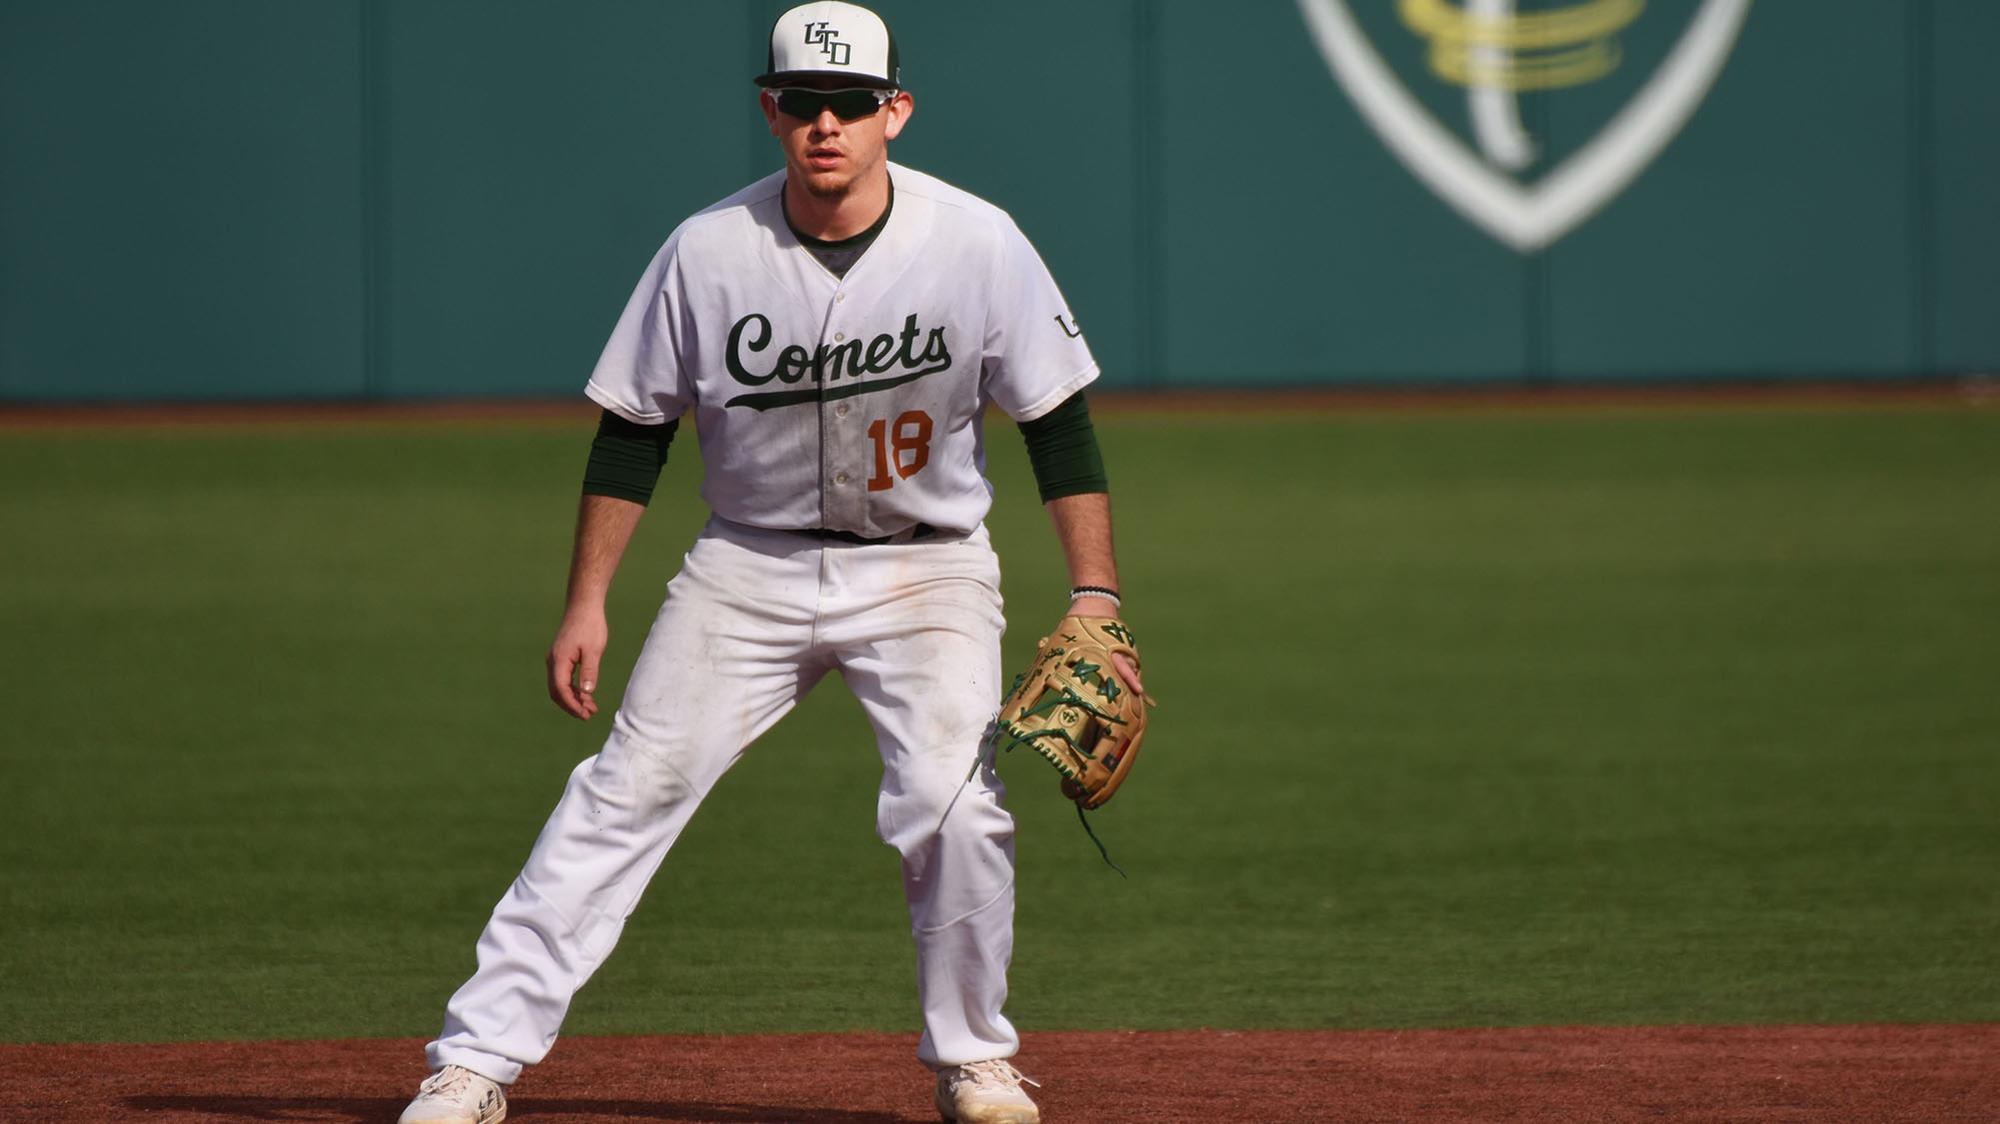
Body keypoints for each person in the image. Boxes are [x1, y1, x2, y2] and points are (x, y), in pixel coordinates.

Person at [398, 4, 1138, 1123]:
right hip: (746, 567)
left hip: (925, 569)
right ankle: (475, 1059)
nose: (824, 124)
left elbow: (1057, 422)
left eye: (849, 103)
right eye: (802, 102)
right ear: (770, 110)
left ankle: (973, 1057)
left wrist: (1096, 593)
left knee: (954, 807)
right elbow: (632, 427)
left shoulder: (977, 240)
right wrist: (587, 597)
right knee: (622, 793)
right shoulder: (706, 249)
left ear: (895, 110)